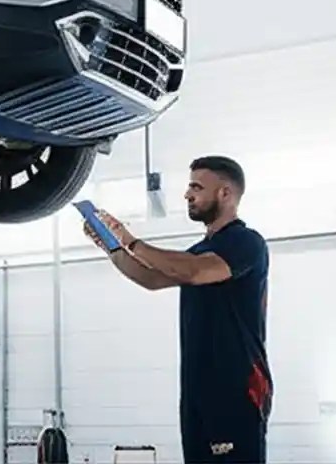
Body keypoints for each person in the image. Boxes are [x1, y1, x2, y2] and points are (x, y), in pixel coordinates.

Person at [83, 155, 272, 463]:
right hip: (198, 391)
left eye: (196, 187)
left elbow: (195, 272)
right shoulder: (199, 251)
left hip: (236, 390)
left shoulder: (246, 242)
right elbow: (151, 278)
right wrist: (111, 246)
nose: (187, 195)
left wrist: (131, 240)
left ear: (225, 193)